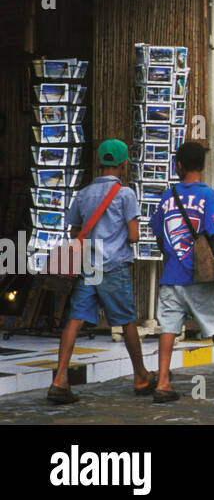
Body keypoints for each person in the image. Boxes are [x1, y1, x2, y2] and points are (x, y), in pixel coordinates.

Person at [48, 139, 155, 404]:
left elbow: (74, 232)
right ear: (123, 164)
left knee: (75, 319)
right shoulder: (126, 194)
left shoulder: (84, 194)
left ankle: (60, 379)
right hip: (113, 266)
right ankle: (141, 376)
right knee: (127, 320)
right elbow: (133, 235)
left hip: (88, 266)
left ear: (99, 162)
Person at [149, 141, 214, 403]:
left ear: (179, 165)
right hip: (200, 275)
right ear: (203, 166)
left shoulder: (167, 195)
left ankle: (162, 382)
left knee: (169, 328)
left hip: (172, 275)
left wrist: (170, 256)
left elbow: (159, 232)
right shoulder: (208, 195)